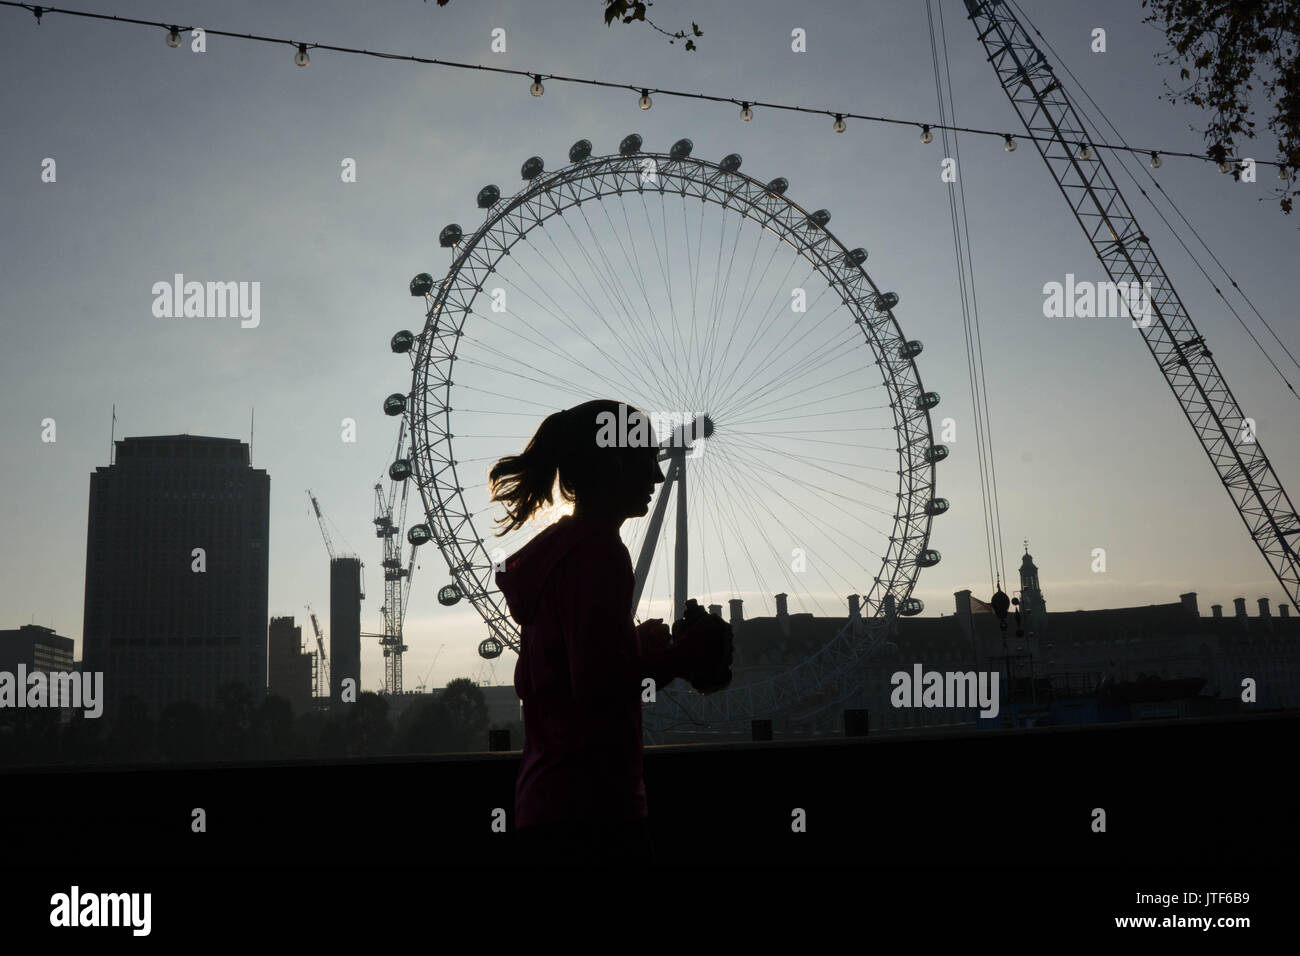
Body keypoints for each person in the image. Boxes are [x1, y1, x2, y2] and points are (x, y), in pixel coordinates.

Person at [490, 399, 733, 868]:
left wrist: (638, 648)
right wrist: (681, 657)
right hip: (594, 810)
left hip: (544, 802)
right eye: (647, 461)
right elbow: (598, 689)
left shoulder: (556, 553)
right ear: (614, 463)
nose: (658, 477)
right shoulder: (599, 554)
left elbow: (573, 670)